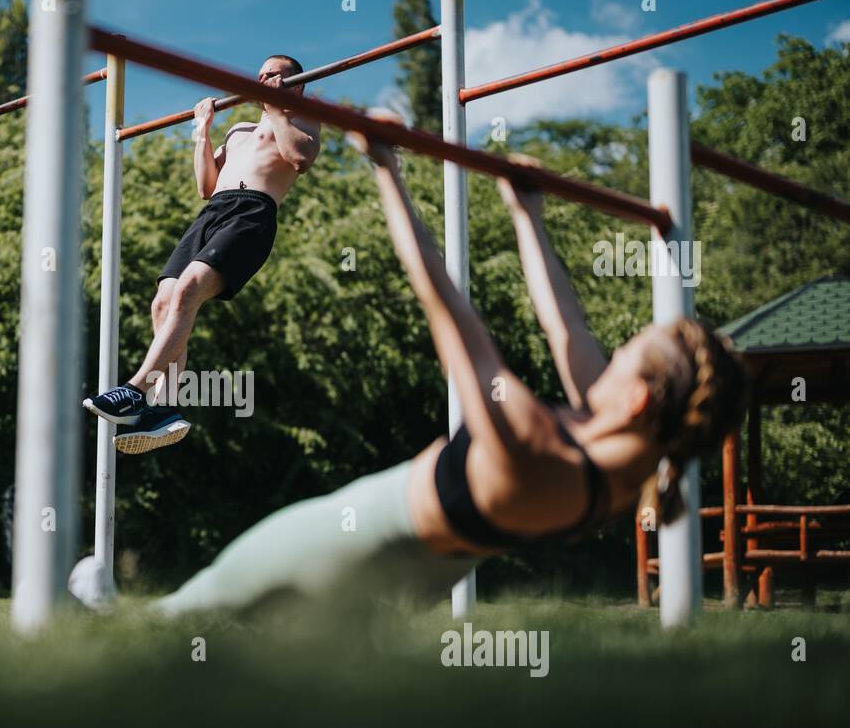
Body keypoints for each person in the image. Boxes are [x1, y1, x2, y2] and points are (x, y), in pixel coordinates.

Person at [153, 111, 748, 617]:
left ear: (639, 396)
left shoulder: (535, 440)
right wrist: (526, 213)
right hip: (421, 580)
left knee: (191, 612)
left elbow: (447, 308)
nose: (610, 356)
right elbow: (565, 324)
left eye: (626, 353)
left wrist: (386, 167)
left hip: (347, 539)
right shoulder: (626, 465)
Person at [83, 55, 321, 454]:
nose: (261, 79)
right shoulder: (240, 128)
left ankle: (135, 389)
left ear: (294, 84)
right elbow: (206, 186)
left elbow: (300, 159)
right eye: (259, 74)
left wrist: (278, 108)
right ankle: (166, 408)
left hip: (252, 212)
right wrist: (203, 133)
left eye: (272, 76)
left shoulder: (302, 119)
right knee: (163, 300)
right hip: (213, 211)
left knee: (189, 288)